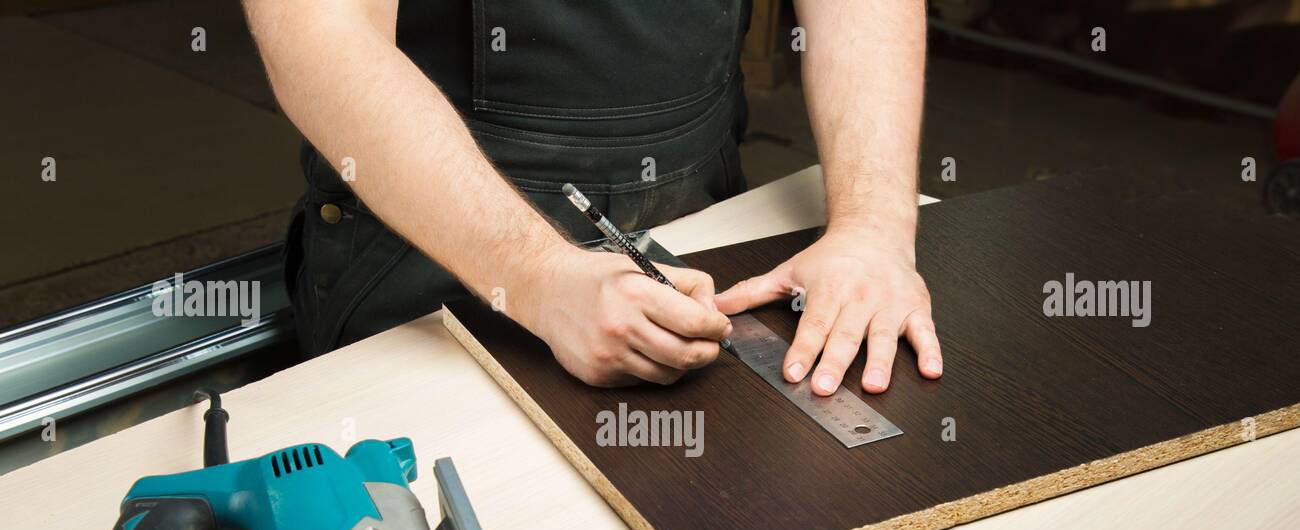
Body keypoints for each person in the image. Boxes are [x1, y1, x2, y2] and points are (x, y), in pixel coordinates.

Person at [245, 0, 942, 395]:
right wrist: (536, 277)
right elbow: (319, 34)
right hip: (436, 254)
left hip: (704, 216)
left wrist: (872, 224)